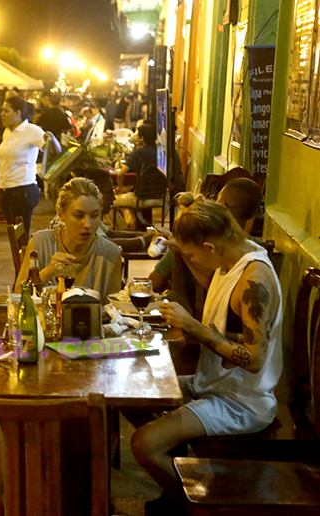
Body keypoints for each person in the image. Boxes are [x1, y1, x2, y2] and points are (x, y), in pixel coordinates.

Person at [132, 193, 282, 516]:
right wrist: (182, 252)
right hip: (214, 382)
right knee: (136, 392)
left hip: (243, 401)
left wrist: (196, 328)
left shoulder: (255, 279)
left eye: (193, 253)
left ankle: (198, 508)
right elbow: (211, 280)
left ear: (210, 248)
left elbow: (255, 360)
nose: (192, 260)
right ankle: (181, 483)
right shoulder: (233, 257)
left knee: (143, 445)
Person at [149, 178, 265, 316]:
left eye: (192, 255)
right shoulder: (245, 250)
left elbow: (154, 282)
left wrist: (191, 325)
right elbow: (217, 288)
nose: (194, 260)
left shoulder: (252, 272)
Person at [15, 177, 122, 296]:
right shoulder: (41, 243)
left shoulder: (111, 254)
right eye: (79, 216)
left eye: (94, 215)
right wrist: (48, 272)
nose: (88, 224)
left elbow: (113, 308)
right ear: (61, 214)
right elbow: (18, 293)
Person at [0, 96, 60, 236]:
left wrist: (51, 137)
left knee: (21, 235)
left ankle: (25, 258)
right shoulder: (7, 132)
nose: (1, 114)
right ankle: (19, 258)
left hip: (23, 191)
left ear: (18, 113)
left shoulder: (31, 130)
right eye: (1, 111)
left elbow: (54, 150)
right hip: (6, 190)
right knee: (13, 235)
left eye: (6, 111)